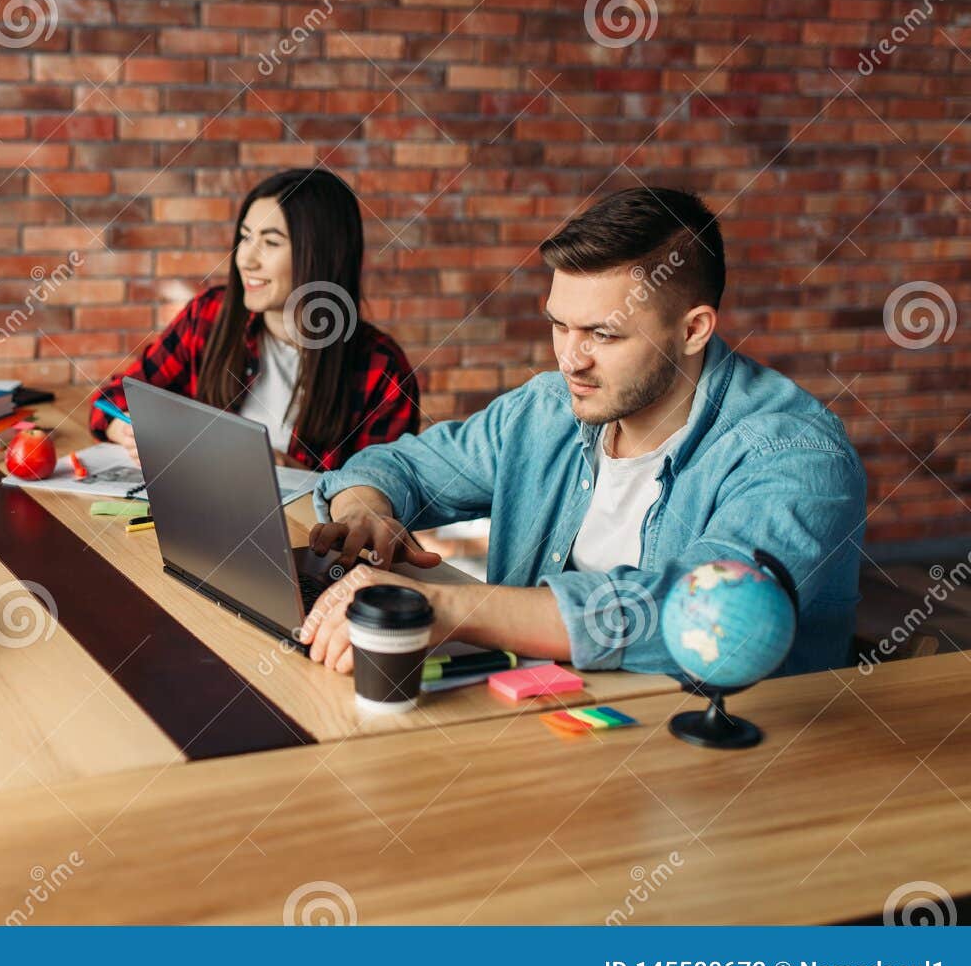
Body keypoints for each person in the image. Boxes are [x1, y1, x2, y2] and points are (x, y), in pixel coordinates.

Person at [300, 187, 865, 678]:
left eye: (604, 334)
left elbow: (695, 612)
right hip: (548, 715)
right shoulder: (546, 409)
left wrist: (446, 608)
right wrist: (364, 510)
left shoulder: (795, 453)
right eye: (560, 326)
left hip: (722, 750)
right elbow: (396, 467)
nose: (571, 360)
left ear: (693, 330)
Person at [88, 168, 419, 471]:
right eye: (246, 237)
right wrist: (127, 428)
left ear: (324, 254)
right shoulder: (210, 314)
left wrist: (286, 469)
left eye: (270, 243)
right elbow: (110, 399)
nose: (246, 259)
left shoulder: (383, 370)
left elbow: (379, 494)